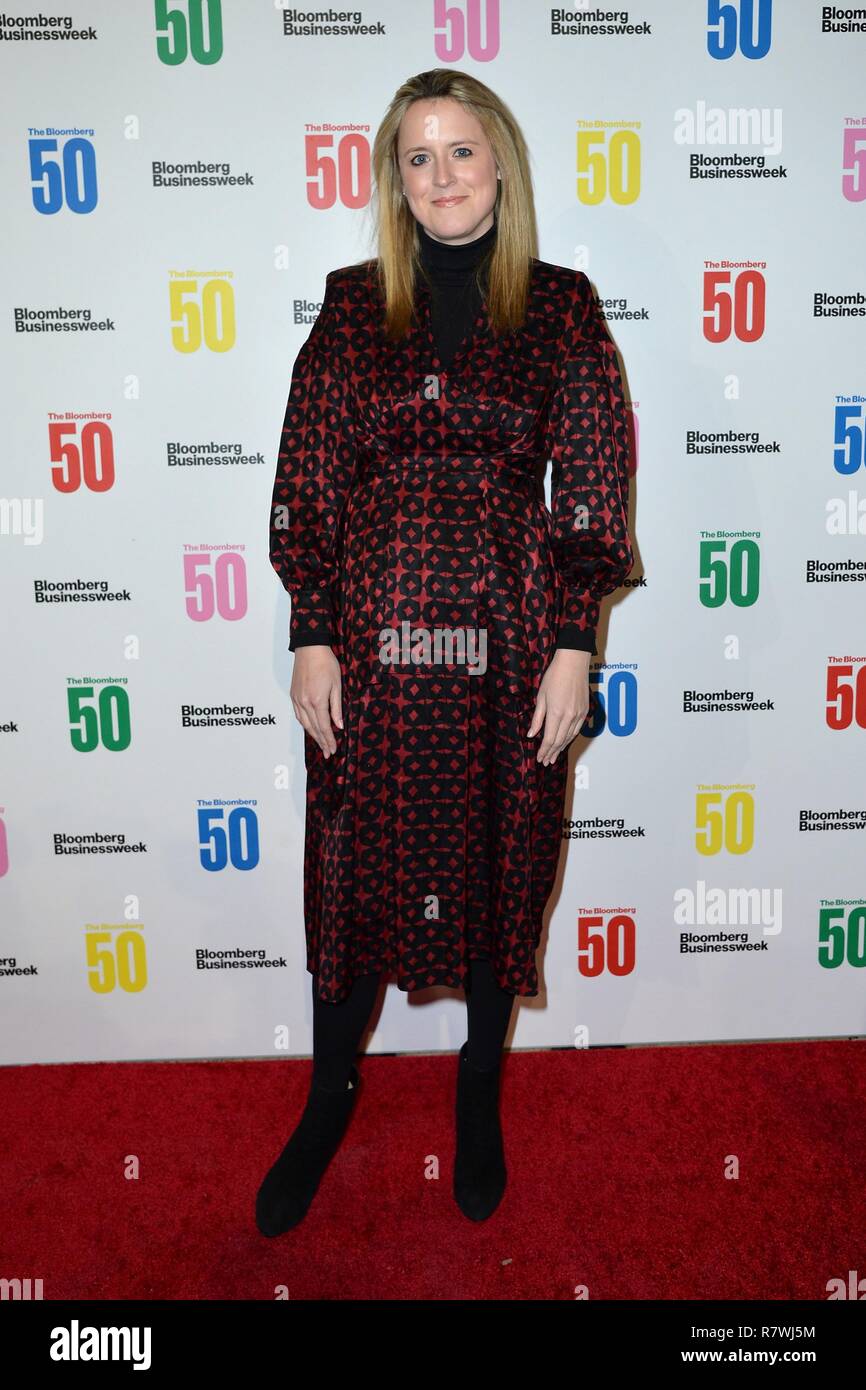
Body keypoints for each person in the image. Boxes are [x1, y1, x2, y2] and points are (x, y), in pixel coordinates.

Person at [257, 68, 634, 1236]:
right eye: (415, 158)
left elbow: (594, 477)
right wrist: (311, 628)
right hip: (370, 651)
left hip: (510, 645)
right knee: (345, 866)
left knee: (497, 852)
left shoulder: (560, 306)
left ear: (500, 163)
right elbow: (306, 476)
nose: (439, 178)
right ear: (392, 179)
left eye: (459, 152)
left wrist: (574, 644)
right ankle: (330, 1091)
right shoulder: (348, 305)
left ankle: (478, 1090)